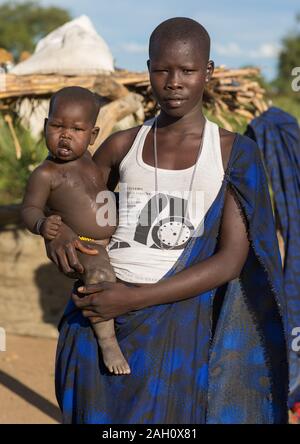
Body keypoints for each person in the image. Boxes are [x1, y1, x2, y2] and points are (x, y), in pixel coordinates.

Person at [50, 18, 288, 423]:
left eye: (188, 71)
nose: (174, 81)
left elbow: (231, 260)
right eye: (162, 70)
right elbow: (73, 206)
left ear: (207, 72)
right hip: (99, 320)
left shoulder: (234, 154)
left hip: (176, 328)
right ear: (148, 70)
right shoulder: (123, 145)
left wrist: (134, 298)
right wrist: (59, 238)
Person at [22, 86, 131, 375]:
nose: (65, 135)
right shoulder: (46, 174)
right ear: (46, 126)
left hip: (113, 240)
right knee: (99, 275)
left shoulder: (92, 161)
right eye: (57, 126)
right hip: (84, 243)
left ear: (92, 135)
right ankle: (107, 342)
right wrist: (43, 225)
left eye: (77, 129)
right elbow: (29, 209)